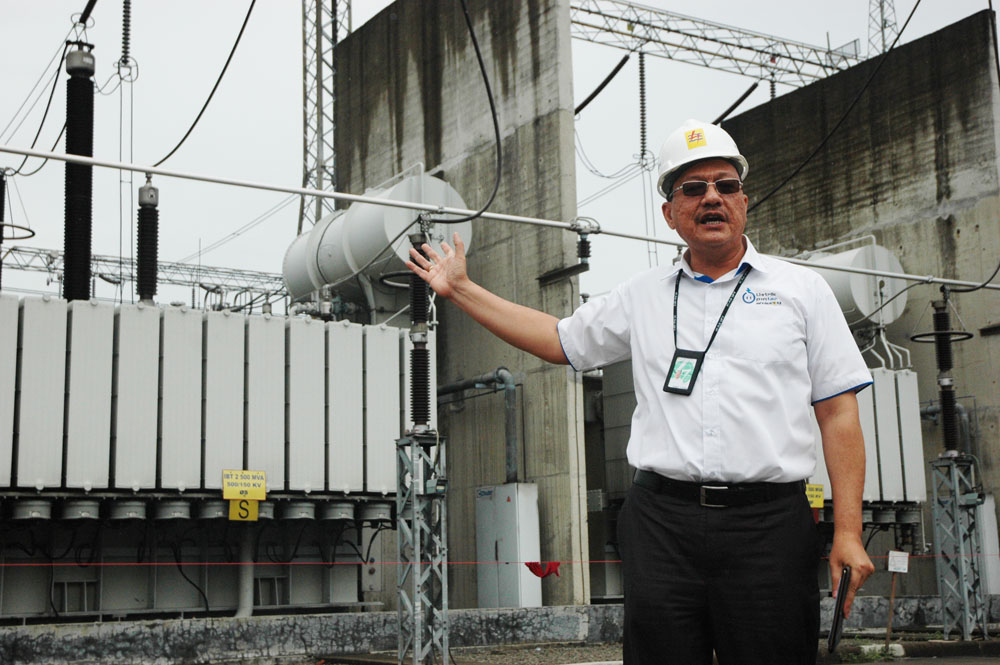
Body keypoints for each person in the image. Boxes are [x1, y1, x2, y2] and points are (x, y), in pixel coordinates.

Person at [405, 119, 875, 664]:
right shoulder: (641, 295)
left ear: (745, 200)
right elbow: (560, 341)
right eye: (693, 189)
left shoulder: (801, 291)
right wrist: (462, 290)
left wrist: (849, 531)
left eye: (725, 185)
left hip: (768, 526)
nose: (712, 198)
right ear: (670, 214)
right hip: (663, 524)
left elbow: (839, 414)